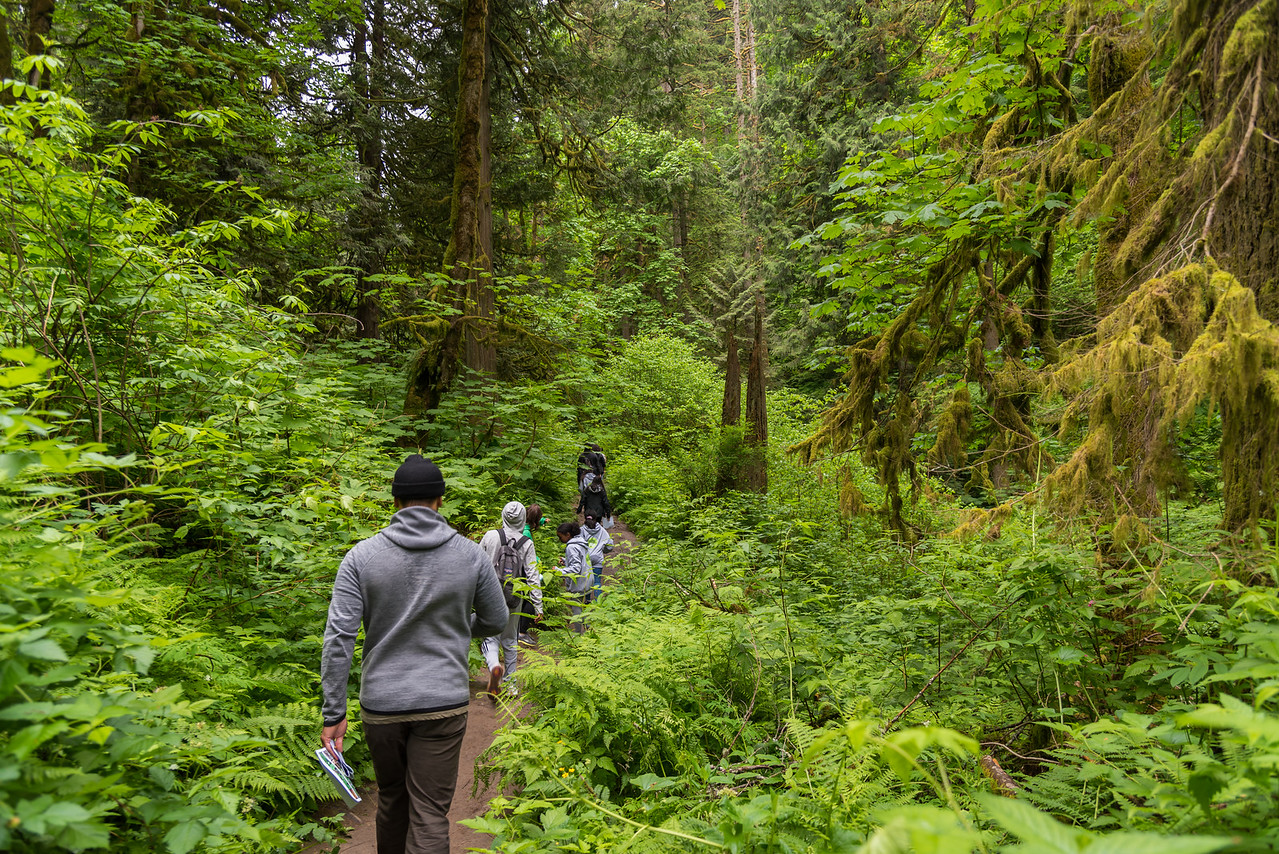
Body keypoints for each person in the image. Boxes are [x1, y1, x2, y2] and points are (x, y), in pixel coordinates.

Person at [321, 454, 508, 854]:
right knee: (429, 814)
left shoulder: (360, 558)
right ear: (441, 500)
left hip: (382, 706)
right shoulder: (470, 554)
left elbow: (339, 637)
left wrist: (334, 713)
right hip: (443, 703)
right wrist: (457, 629)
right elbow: (496, 619)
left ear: (395, 502)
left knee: (391, 801)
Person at [478, 501, 543, 698]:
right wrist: (538, 605)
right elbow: (532, 575)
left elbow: (476, 563)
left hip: (489, 595)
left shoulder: (491, 536)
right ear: (523, 518)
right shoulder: (527, 542)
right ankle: (511, 685)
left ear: (504, 515)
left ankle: (494, 666)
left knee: (490, 637)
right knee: (510, 639)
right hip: (515, 596)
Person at [555, 520, 591, 633]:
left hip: (579, 582)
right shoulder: (581, 543)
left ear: (568, 535)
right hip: (588, 579)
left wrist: (559, 571)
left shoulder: (571, 547)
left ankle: (578, 634)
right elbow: (580, 561)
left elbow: (576, 568)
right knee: (582, 607)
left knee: (576, 609)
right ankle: (589, 629)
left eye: (560, 537)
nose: (559, 540)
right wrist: (566, 561)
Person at [518, 503, 545, 643]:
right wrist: (539, 562)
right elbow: (528, 555)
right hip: (525, 568)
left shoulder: (520, 524)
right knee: (530, 598)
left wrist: (542, 520)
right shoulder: (526, 533)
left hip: (516, 567)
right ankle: (522, 632)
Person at [581, 513, 613, 602]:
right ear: (596, 518)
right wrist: (604, 550)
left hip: (586, 559)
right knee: (597, 581)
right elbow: (610, 545)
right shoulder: (602, 530)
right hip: (598, 558)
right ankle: (598, 601)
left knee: (587, 580)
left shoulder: (581, 530)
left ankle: (587, 600)